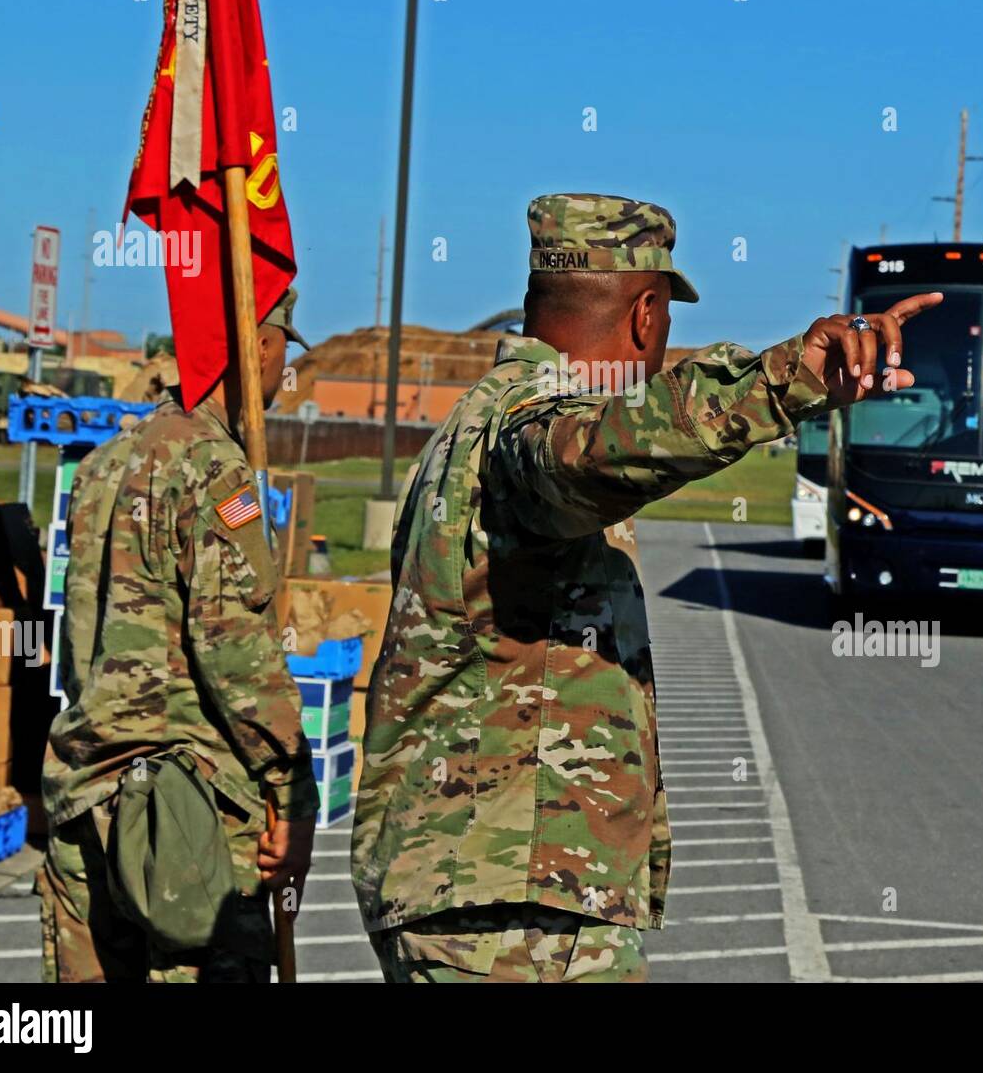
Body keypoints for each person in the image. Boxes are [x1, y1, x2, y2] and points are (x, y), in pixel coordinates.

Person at [351, 193, 941, 983]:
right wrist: (782, 381)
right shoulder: (525, 425)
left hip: (501, 899)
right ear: (646, 315)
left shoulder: (473, 422)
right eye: (663, 326)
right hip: (514, 917)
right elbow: (587, 452)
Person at [39, 287, 319, 983]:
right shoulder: (218, 470)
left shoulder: (107, 460)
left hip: (87, 796)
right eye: (282, 345)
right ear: (258, 347)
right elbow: (238, 654)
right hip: (183, 820)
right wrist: (293, 791)